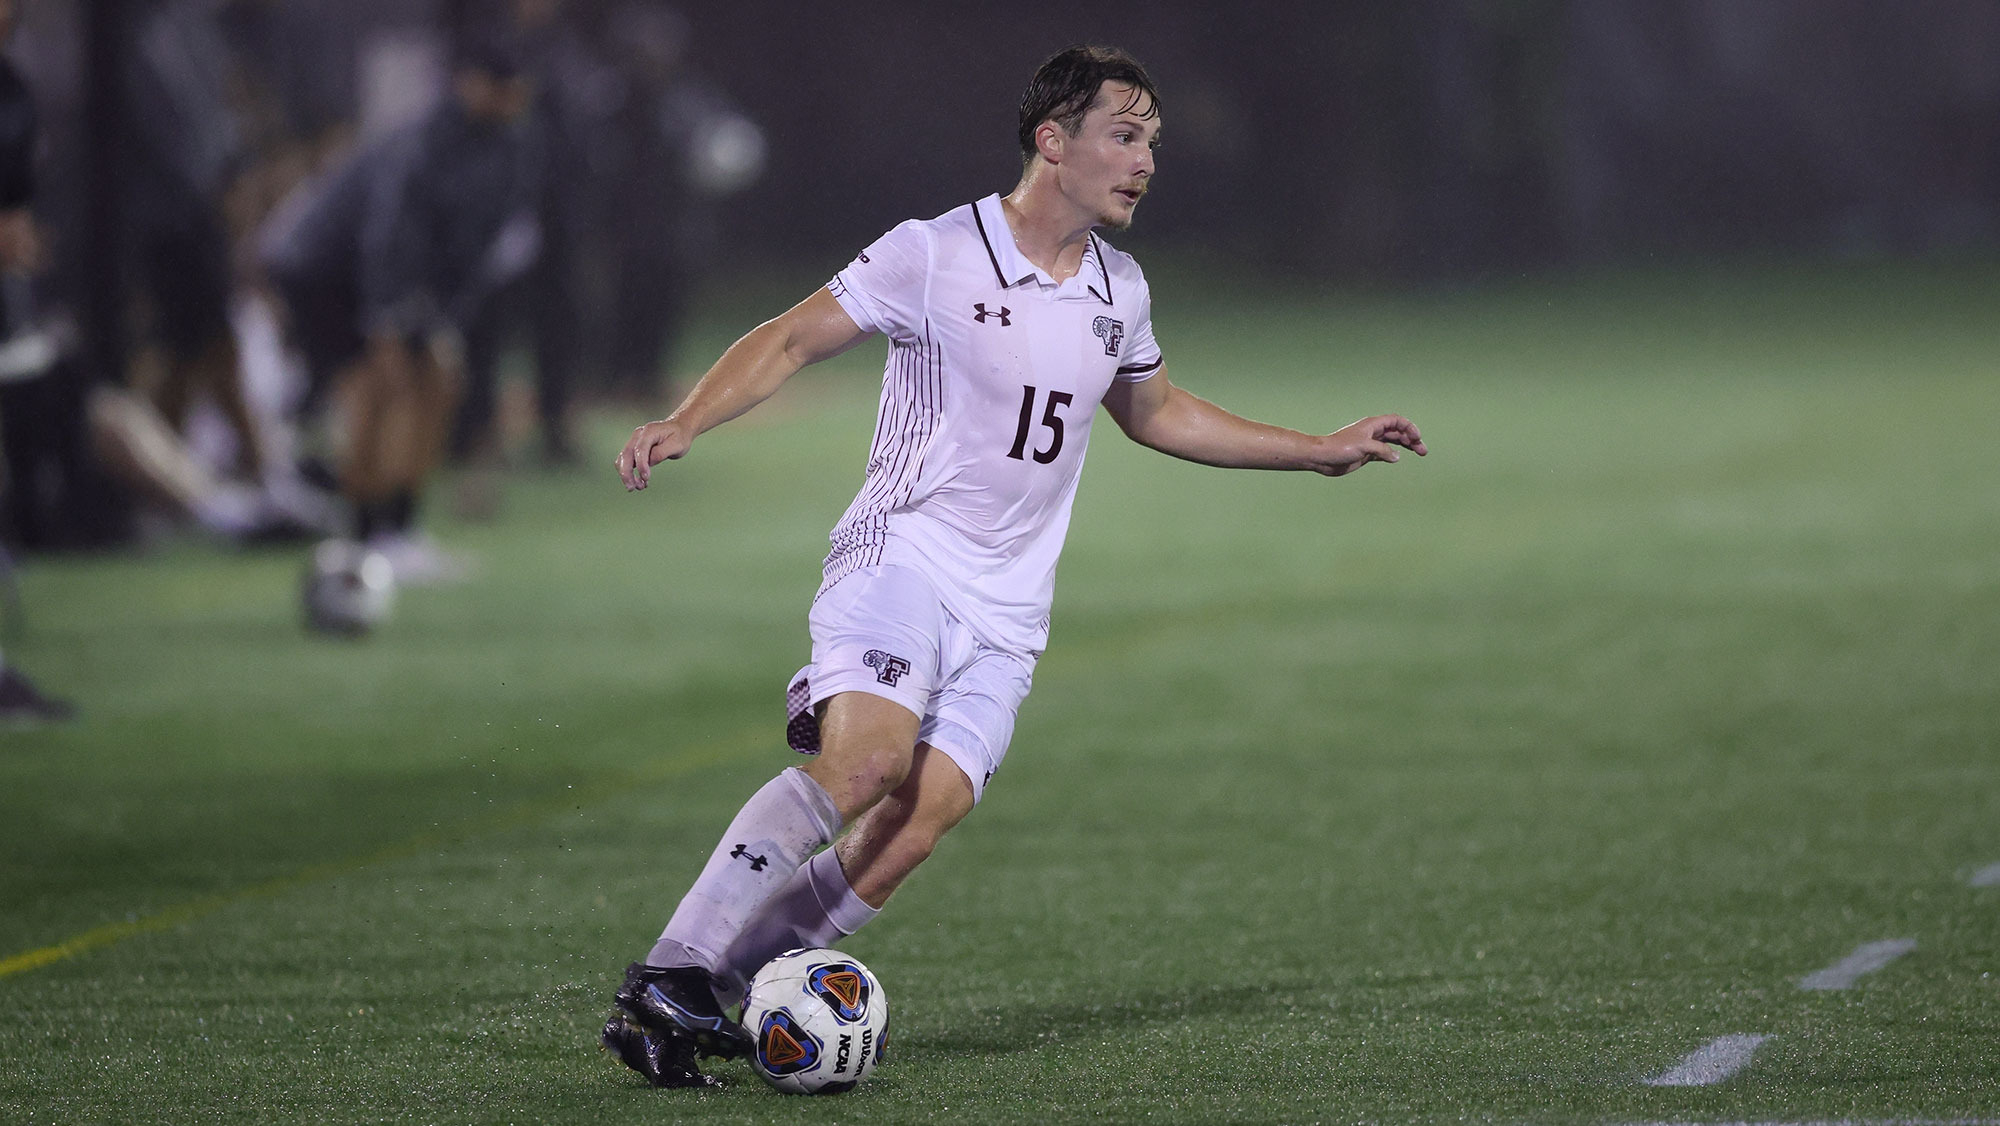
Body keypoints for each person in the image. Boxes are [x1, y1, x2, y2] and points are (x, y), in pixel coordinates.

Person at [602, 45, 1428, 1088]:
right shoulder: (936, 252)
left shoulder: (1117, 289)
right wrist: (687, 420)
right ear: (1053, 140)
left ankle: (714, 996)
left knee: (915, 823)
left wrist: (1315, 448)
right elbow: (792, 338)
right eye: (1123, 137)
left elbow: (1158, 412)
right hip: (901, 553)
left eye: (1152, 144)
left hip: (1008, 611)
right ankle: (672, 968)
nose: (1144, 163)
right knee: (867, 764)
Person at [256, 23, 542, 591]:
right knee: (374, 386)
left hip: (400, 281)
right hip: (324, 271)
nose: (512, 98)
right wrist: (385, 321)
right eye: (500, 85)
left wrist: (444, 322)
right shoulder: (423, 141)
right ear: (469, 84)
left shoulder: (509, 148)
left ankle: (398, 532)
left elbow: (477, 250)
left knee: (437, 379)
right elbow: (385, 237)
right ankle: (359, 536)